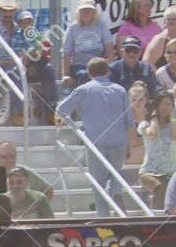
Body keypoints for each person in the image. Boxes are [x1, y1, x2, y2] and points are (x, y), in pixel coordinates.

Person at [55, 57, 132, 211]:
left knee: (98, 183)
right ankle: (116, 191)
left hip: (95, 141)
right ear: (108, 72)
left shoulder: (84, 89)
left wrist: (77, 128)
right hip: (119, 140)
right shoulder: (120, 90)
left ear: (89, 73)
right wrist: (128, 143)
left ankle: (103, 216)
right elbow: (128, 120)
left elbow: (61, 110)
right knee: (116, 175)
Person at [137, 92, 176, 210]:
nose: (165, 108)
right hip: (149, 172)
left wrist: (171, 118)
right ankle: (156, 218)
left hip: (169, 172)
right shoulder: (145, 124)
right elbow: (152, 134)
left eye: (169, 105)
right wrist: (154, 117)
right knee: (160, 187)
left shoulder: (175, 124)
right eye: (162, 104)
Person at [62, 0, 113, 85]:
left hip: (99, 64)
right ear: (79, 12)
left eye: (89, 10)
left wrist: (108, 64)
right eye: (83, 10)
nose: (86, 13)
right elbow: (66, 53)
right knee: (84, 75)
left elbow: (109, 47)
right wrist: (65, 75)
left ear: (94, 12)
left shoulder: (101, 25)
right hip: (79, 65)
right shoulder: (72, 28)